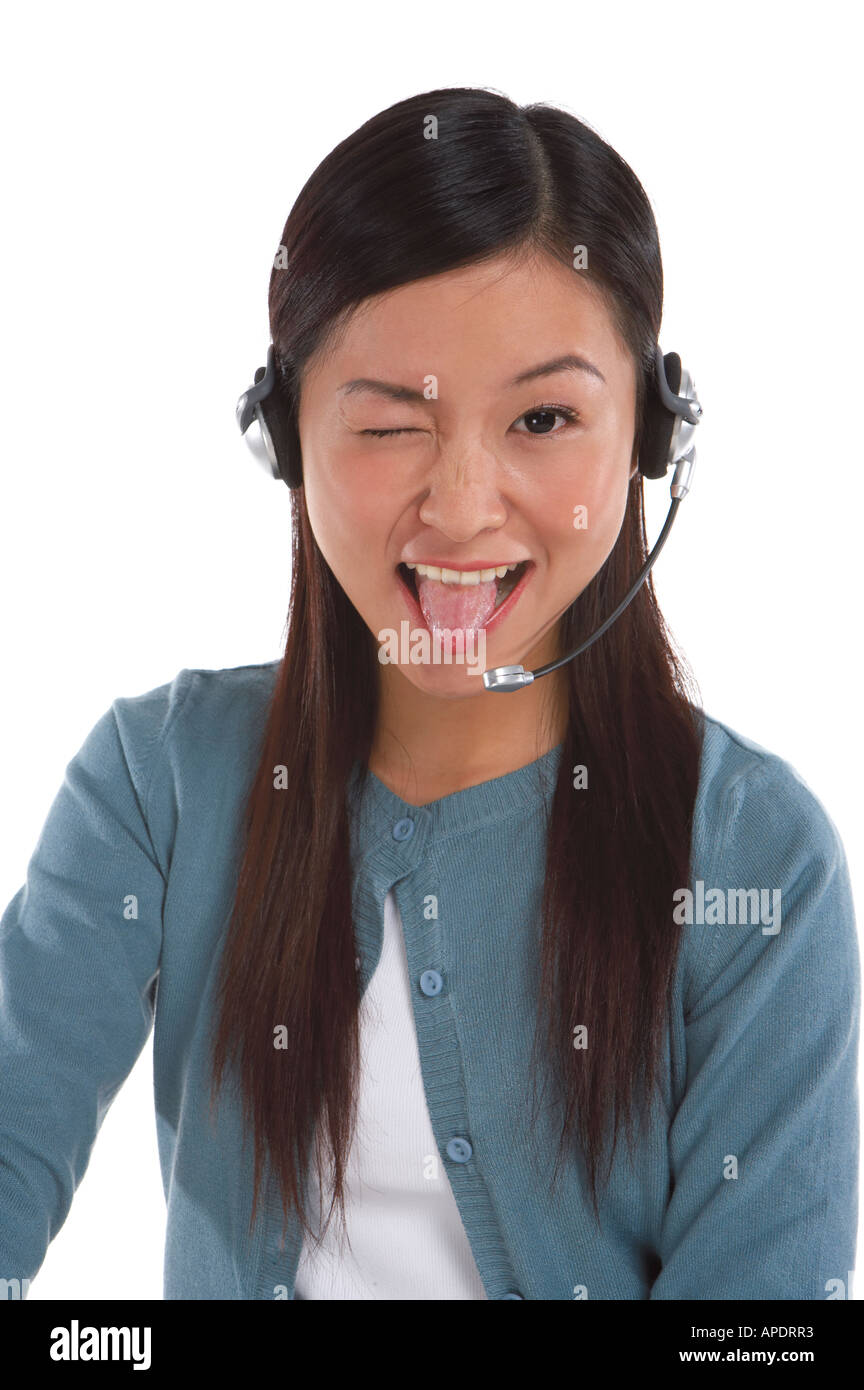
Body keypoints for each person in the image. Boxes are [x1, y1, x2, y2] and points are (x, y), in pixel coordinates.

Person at [0, 86, 857, 1302]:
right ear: (287, 442)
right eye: (392, 424)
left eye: (545, 417)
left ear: (648, 441)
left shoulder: (758, 858)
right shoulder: (160, 784)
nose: (462, 506)